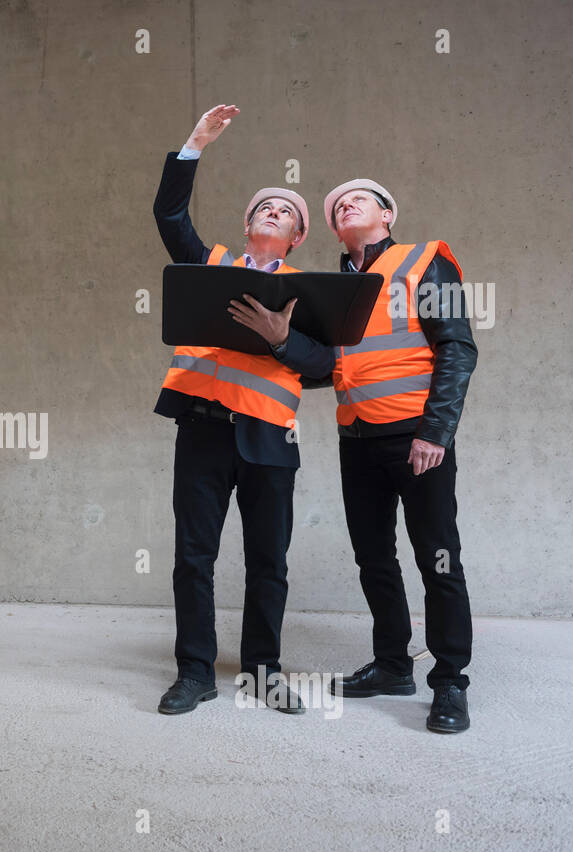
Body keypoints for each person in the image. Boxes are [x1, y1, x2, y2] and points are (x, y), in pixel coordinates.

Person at [237, 178, 478, 732]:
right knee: (374, 560)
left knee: (438, 562)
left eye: (360, 198)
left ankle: (449, 683)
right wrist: (278, 341)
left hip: (418, 438)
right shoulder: (332, 289)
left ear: (387, 214)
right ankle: (393, 665)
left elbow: (457, 347)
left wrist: (436, 433)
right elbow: (324, 366)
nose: (346, 203)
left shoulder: (425, 261)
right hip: (358, 439)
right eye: (337, 204)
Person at [152, 104, 331, 716]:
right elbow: (168, 215)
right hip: (203, 430)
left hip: (270, 437)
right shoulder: (213, 265)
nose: (272, 214)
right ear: (247, 223)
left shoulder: (311, 294)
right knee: (193, 557)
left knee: (268, 561)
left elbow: (327, 366)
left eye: (285, 212)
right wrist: (195, 143)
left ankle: (262, 672)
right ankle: (195, 672)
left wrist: (283, 337)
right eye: (263, 208)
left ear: (297, 237)